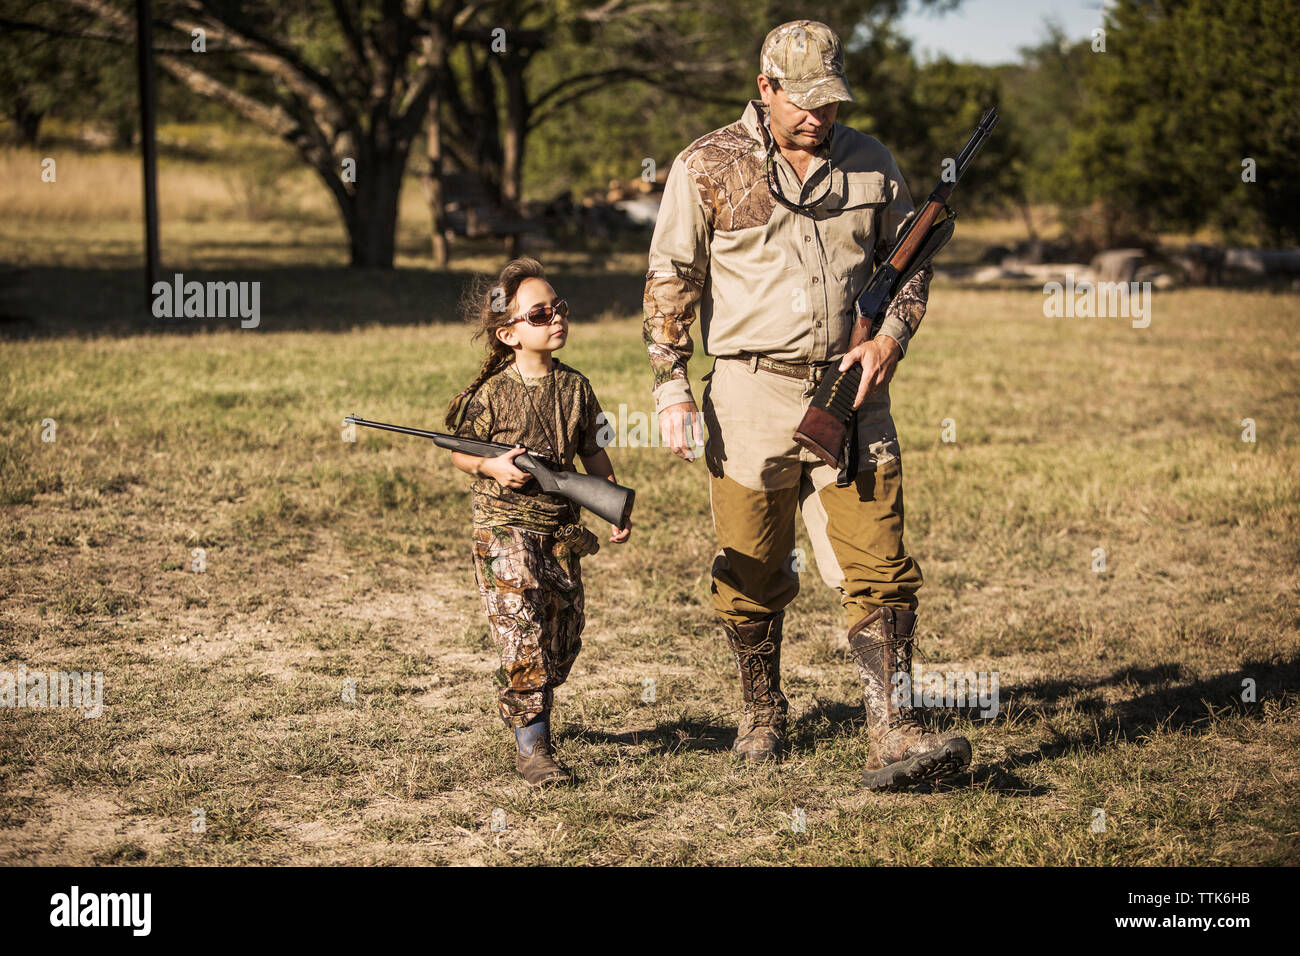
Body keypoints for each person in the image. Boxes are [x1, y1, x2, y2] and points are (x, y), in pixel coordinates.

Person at [642, 20, 970, 789]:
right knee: (751, 566)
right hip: (750, 387)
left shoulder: (872, 163)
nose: (819, 118)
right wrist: (670, 384)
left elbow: (909, 265)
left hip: (852, 386)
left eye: (831, 102)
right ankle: (762, 710)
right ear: (766, 88)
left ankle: (893, 730)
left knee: (880, 562)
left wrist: (892, 338)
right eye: (804, 103)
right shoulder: (707, 165)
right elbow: (671, 279)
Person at [447, 257, 632, 787]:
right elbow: (460, 452)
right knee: (521, 626)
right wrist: (491, 465)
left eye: (560, 308)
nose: (556, 318)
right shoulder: (491, 393)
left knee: (564, 633)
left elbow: (595, 454)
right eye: (540, 313)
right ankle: (533, 745)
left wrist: (611, 504)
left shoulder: (577, 388)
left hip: (559, 527)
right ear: (508, 333)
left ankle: (531, 691)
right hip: (503, 525)